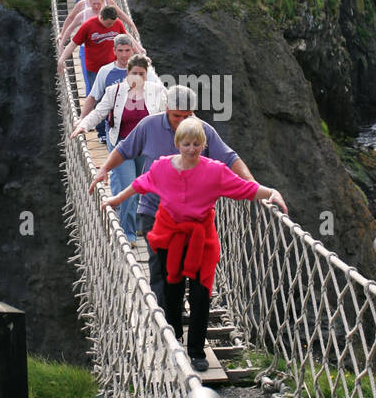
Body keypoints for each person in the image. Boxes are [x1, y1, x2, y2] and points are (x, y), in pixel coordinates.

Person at [103, 116, 287, 370]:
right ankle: (175, 336)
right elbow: (139, 185)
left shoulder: (215, 171)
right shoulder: (161, 167)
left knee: (201, 293)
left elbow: (243, 188)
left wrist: (270, 192)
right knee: (172, 289)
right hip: (169, 235)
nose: (191, 149)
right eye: (187, 144)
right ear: (177, 144)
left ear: (203, 145)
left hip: (202, 238)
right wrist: (115, 200)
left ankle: (197, 351)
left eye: (196, 144)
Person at [89, 85, 259, 309]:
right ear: (166, 108)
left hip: (192, 218)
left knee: (188, 268)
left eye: (187, 116)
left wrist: (252, 183)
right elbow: (124, 149)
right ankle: (165, 322)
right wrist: (103, 169)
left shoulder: (202, 131)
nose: (181, 120)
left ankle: (179, 317)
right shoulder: (149, 126)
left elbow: (229, 158)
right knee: (160, 269)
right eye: (176, 115)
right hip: (153, 212)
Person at [74, 55, 165, 241]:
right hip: (123, 147)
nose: (137, 77)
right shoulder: (114, 91)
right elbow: (99, 112)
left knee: (145, 189)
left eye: (141, 74)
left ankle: (139, 225)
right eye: (134, 73)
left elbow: (168, 115)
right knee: (128, 187)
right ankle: (128, 234)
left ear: (147, 75)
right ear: (127, 73)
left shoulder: (156, 91)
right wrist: (84, 124)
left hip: (147, 148)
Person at [57, 0, 123, 92]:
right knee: (97, 96)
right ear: (102, 17)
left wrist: (140, 54)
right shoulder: (88, 25)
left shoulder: (117, 23)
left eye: (113, 23)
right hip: (94, 70)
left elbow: (128, 40)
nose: (111, 25)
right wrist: (61, 59)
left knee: (114, 94)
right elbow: (73, 44)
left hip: (112, 67)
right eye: (109, 24)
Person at [60, 0, 136, 46]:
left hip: (106, 37)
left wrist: (131, 24)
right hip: (89, 38)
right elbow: (70, 19)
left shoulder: (108, 1)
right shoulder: (82, 4)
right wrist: (62, 34)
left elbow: (120, 14)